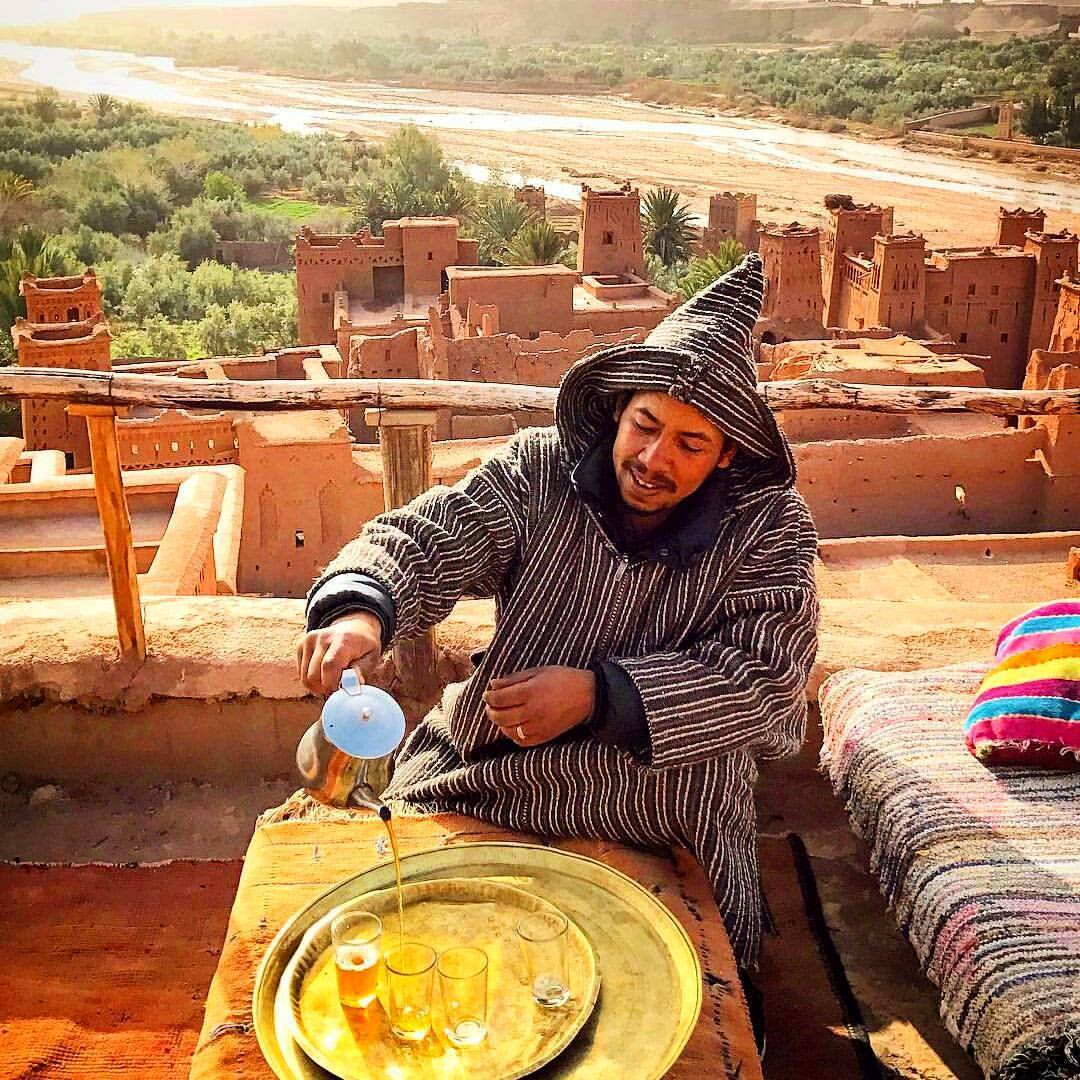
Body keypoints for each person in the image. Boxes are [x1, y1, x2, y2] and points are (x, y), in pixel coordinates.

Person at [297, 253, 819, 980]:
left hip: (667, 797)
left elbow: (768, 678)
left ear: (728, 455)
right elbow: (434, 535)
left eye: (690, 444)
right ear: (618, 411)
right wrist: (362, 611)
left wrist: (601, 696)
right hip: (492, 769)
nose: (653, 458)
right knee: (406, 940)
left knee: (681, 982)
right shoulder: (542, 471)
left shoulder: (769, 529)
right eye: (645, 425)